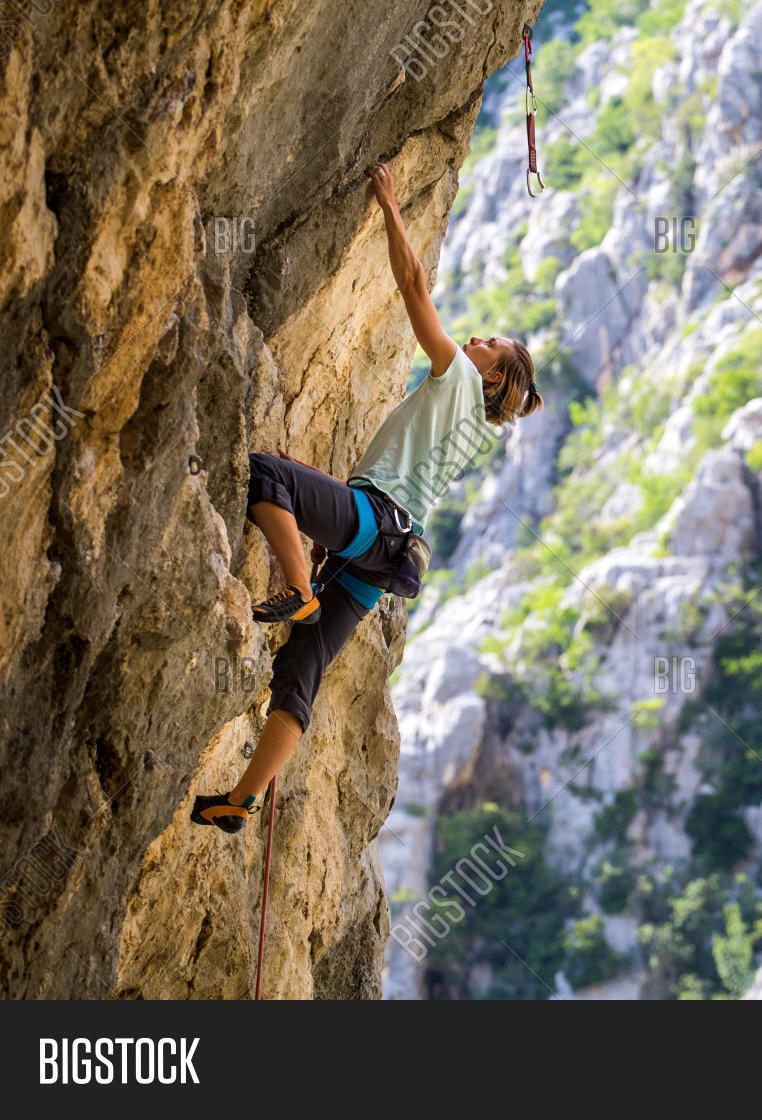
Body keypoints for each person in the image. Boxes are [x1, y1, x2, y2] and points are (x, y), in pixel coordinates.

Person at [191, 163, 544, 835]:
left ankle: (299, 587)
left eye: (487, 343)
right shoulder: (470, 426)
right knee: (302, 670)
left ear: (492, 372)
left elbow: (413, 286)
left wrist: (389, 206)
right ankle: (239, 800)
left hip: (373, 525)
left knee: (265, 475)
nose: (474, 339)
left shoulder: (459, 384)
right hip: (387, 556)